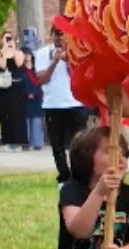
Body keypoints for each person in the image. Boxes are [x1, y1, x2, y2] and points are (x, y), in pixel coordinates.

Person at [33, 23, 88, 183]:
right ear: (51, 35)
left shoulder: (77, 51)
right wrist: (55, 61)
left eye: (63, 34)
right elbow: (41, 79)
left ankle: (79, 176)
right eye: (57, 33)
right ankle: (64, 176)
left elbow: (84, 73)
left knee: (78, 144)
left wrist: (68, 56)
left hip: (76, 103)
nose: (60, 37)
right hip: (53, 105)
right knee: (57, 145)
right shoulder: (43, 53)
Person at [0, 29, 29, 151]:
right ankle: (7, 141)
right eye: (6, 38)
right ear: (1, 40)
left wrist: (13, 49)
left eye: (10, 38)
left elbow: (18, 63)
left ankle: (19, 141)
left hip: (16, 87)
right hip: (3, 88)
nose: (8, 40)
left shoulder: (18, 52)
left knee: (17, 114)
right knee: (5, 114)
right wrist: (5, 51)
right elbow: (1, 65)